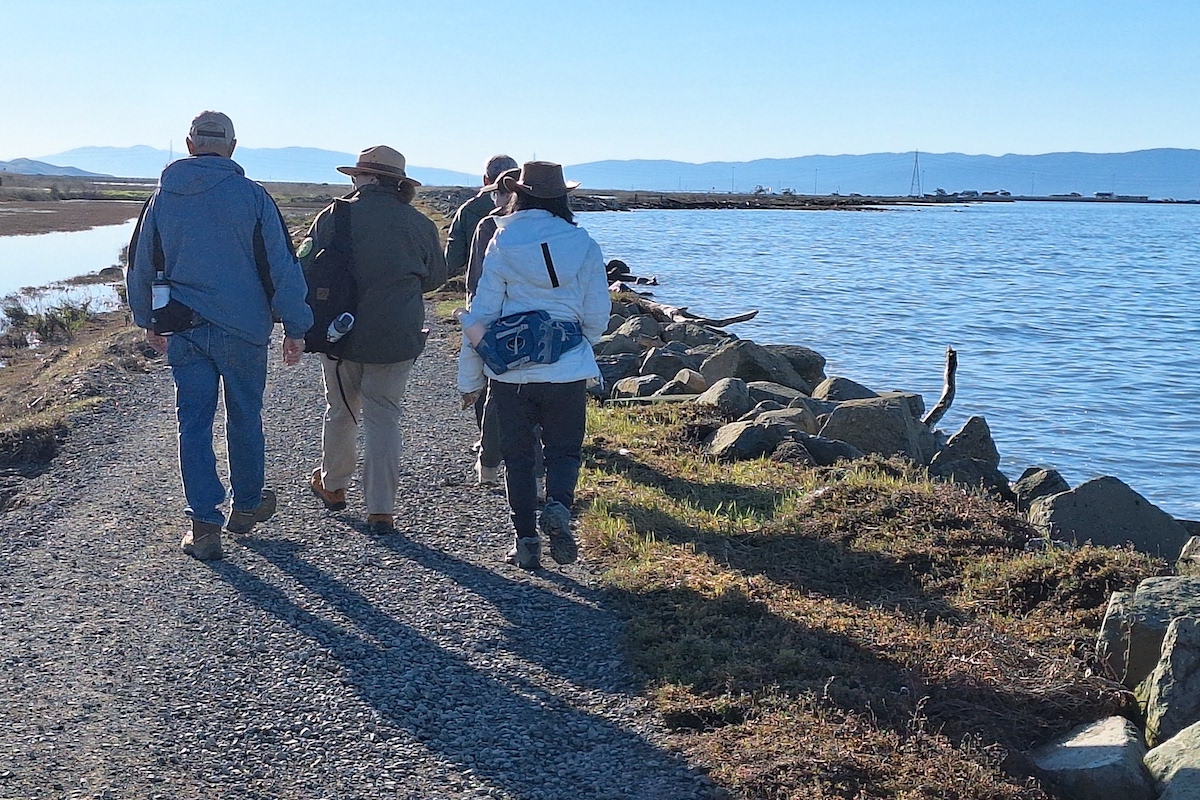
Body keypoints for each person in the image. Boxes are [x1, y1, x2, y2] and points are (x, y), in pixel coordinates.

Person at [126, 111, 313, 561]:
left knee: (193, 423)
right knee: (245, 416)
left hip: (185, 329)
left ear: (190, 145)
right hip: (245, 330)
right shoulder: (254, 197)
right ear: (231, 146)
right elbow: (281, 265)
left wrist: (148, 320)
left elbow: (139, 264)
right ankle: (247, 506)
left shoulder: (161, 198)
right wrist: (296, 325)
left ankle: (204, 524)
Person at [457, 161, 610, 570]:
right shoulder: (585, 243)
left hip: (511, 374)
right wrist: (580, 345)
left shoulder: (502, 241)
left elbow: (483, 311)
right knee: (564, 452)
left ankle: (525, 542)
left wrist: (470, 376)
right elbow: (597, 311)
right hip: (568, 368)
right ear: (562, 197)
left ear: (519, 194)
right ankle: (558, 505)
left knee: (519, 459)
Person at [304, 146, 448, 534]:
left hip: (339, 331)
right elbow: (436, 279)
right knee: (383, 418)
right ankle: (381, 509)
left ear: (365, 178)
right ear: (397, 181)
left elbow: (304, 266)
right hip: (398, 336)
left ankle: (333, 486)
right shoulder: (419, 224)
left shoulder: (333, 216)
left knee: (341, 411)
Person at [463, 165, 519, 486]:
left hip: (492, 316)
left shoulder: (489, 225)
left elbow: (475, 278)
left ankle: (489, 454)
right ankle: (496, 453)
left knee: (494, 388)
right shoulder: (556, 228)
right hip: (523, 322)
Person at [444, 154, 518, 280]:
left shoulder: (467, 211)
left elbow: (453, 259)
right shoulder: (530, 209)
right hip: (520, 288)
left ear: (485, 180)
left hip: (479, 284)